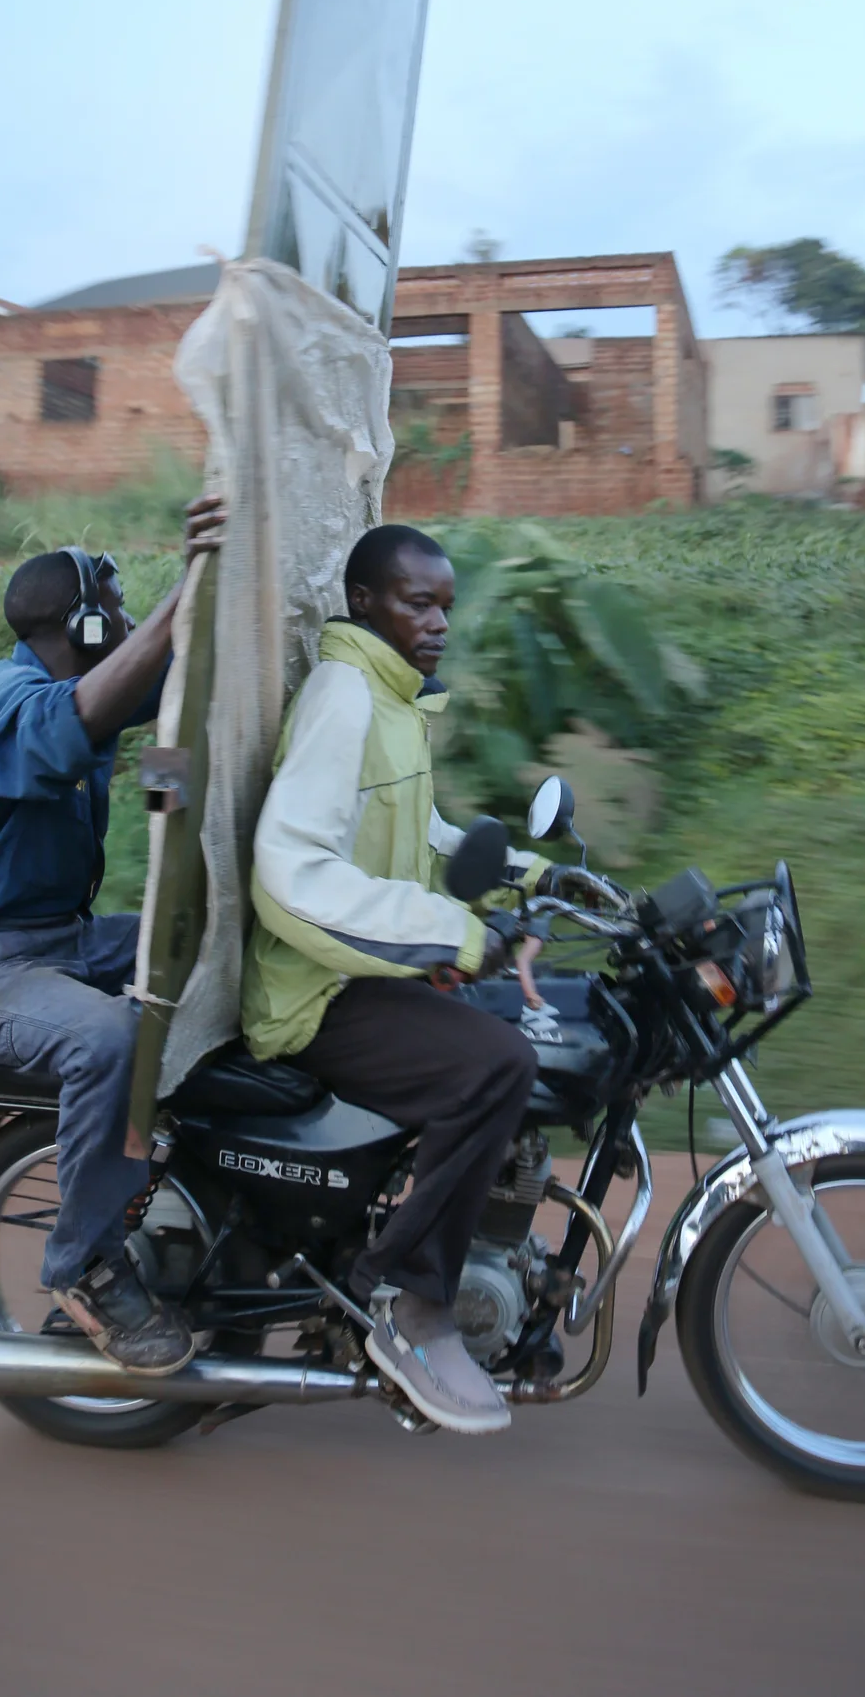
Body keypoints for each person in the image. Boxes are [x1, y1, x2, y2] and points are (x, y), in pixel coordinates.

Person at [0, 497, 223, 1374]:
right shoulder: (6, 704)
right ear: (80, 622)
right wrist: (186, 585)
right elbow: (81, 720)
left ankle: (197, 1169)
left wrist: (185, 805)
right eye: (114, 608)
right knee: (107, 1036)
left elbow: (174, 694)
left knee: (210, 939)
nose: (125, 621)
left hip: (59, 938)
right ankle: (82, 1266)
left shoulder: (81, 694)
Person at [242, 522, 550, 1437]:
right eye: (420, 603)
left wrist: (530, 877)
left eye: (447, 606)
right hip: (315, 991)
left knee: (539, 1032)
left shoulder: (393, 700)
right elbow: (291, 874)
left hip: (362, 966)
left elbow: (411, 841)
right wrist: (454, 934)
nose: (439, 623)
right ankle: (407, 1303)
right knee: (495, 1065)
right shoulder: (346, 698)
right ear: (367, 602)